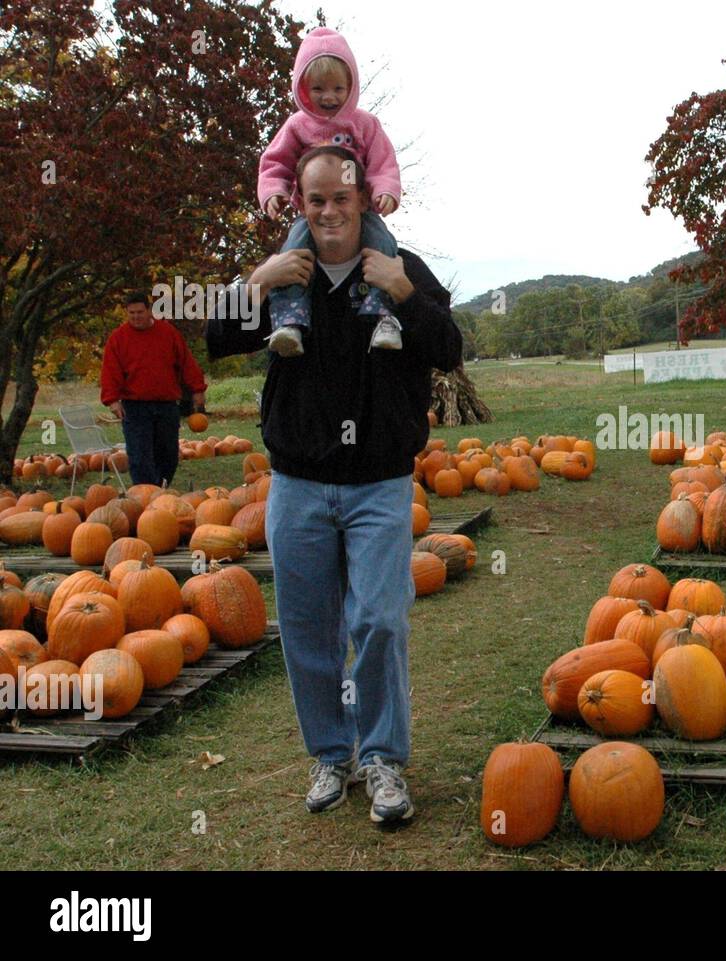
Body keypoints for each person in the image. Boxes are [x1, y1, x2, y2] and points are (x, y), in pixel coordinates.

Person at [207, 145, 462, 825]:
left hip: (379, 482)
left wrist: (405, 297)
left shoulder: (400, 270)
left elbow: (450, 347)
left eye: (341, 198)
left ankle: (382, 758)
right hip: (297, 481)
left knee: (378, 620)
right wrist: (257, 281)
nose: (328, 211)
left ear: (362, 199)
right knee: (306, 629)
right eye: (315, 199)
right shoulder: (287, 275)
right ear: (299, 202)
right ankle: (332, 753)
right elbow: (216, 335)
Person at [258, 26, 403, 358]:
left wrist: (385, 190)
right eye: (319, 89)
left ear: (351, 87)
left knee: (383, 246)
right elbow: (275, 162)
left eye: (338, 88)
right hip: (303, 218)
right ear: (304, 89)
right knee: (292, 254)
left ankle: (382, 314)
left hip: (364, 212)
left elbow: (382, 162)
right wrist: (274, 191)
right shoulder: (296, 126)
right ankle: (290, 319)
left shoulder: (365, 124)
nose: (329, 97)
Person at [100, 291, 207, 487]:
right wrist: (112, 400)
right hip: (135, 406)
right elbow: (110, 371)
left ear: (149, 310)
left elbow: (186, 362)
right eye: (131, 313)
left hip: (166, 404)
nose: (136, 317)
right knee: (140, 455)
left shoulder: (167, 332)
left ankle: (162, 489)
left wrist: (197, 389)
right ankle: (146, 494)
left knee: (168, 454)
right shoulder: (118, 338)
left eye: (140, 312)